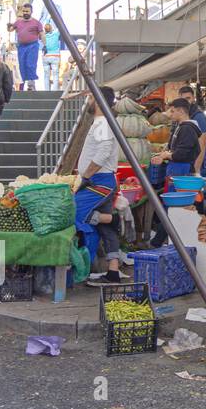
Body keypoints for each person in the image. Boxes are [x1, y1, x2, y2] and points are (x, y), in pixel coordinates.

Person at [75, 87, 128, 285]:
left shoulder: (103, 122)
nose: (88, 101)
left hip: (99, 181)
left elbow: (105, 149)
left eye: (90, 97)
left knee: (74, 211)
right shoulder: (100, 122)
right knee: (106, 230)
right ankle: (113, 273)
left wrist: (86, 175)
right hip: (102, 180)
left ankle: (111, 218)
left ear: (97, 100)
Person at [152, 99, 202, 182]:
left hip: (182, 170)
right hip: (176, 168)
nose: (170, 115)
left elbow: (182, 153)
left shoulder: (187, 129)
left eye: (172, 111)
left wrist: (167, 155)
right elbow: (174, 149)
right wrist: (163, 156)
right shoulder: (180, 126)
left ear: (181, 111)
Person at [7, 3, 44, 91]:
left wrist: (45, 45)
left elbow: (42, 34)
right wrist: (8, 26)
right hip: (21, 47)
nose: (25, 13)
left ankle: (31, 85)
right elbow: (10, 30)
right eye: (24, 11)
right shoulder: (18, 22)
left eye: (27, 11)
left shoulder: (36, 23)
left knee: (30, 64)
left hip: (32, 46)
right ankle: (21, 85)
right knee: (22, 65)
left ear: (31, 12)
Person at [41, 22, 62, 90]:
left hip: (46, 56)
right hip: (55, 56)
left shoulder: (43, 36)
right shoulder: (56, 34)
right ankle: (55, 90)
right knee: (55, 74)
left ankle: (47, 90)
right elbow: (60, 26)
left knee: (46, 74)